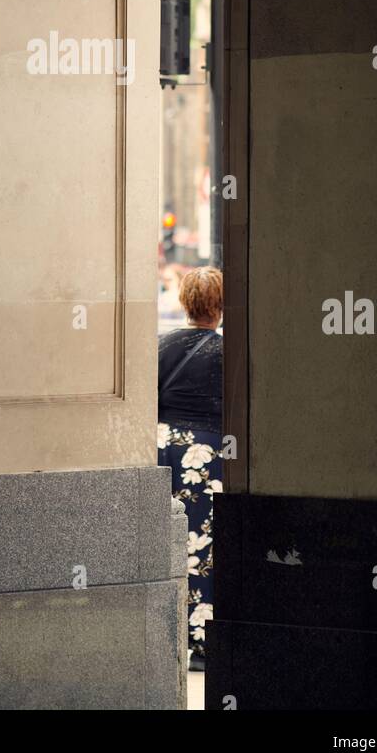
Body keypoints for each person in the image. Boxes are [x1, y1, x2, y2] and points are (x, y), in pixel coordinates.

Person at [157, 266, 224, 671]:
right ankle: (200, 640)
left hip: (161, 449)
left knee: (161, 540)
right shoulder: (225, 353)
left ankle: (162, 634)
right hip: (206, 454)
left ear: (184, 302)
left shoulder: (160, 346)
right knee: (202, 547)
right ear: (219, 306)